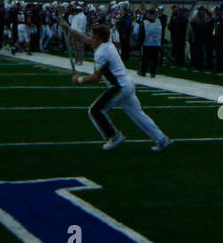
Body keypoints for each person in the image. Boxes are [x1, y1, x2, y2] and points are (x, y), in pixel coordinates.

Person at [61, 19, 170, 152]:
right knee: (138, 114)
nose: (91, 39)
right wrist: (69, 29)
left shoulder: (102, 53)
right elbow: (86, 39)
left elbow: (95, 78)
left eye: (93, 37)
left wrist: (79, 80)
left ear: (99, 38)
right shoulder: (107, 44)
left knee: (95, 110)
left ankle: (114, 136)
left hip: (120, 87)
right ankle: (161, 139)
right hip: (127, 84)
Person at [141, 8, 163, 78]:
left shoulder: (145, 22)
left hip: (147, 43)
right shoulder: (158, 21)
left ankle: (143, 71)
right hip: (156, 43)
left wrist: (140, 41)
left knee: (145, 59)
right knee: (154, 59)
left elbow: (142, 33)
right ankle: (153, 72)